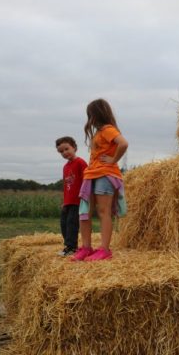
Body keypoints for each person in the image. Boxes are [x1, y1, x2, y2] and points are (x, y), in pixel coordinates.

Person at [72, 99, 128, 261]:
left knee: (104, 212)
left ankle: (104, 249)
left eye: (90, 115)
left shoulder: (107, 129)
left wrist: (113, 159)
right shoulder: (98, 133)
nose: (89, 119)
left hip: (105, 173)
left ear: (96, 114)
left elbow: (123, 144)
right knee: (85, 212)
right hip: (91, 174)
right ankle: (86, 247)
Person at [55, 136, 87, 257]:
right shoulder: (65, 167)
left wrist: (85, 196)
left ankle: (72, 247)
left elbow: (87, 180)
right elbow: (65, 186)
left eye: (66, 149)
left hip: (77, 200)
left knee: (72, 224)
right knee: (63, 223)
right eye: (61, 151)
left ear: (74, 147)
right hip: (68, 201)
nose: (64, 153)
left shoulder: (80, 163)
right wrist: (64, 201)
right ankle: (68, 246)